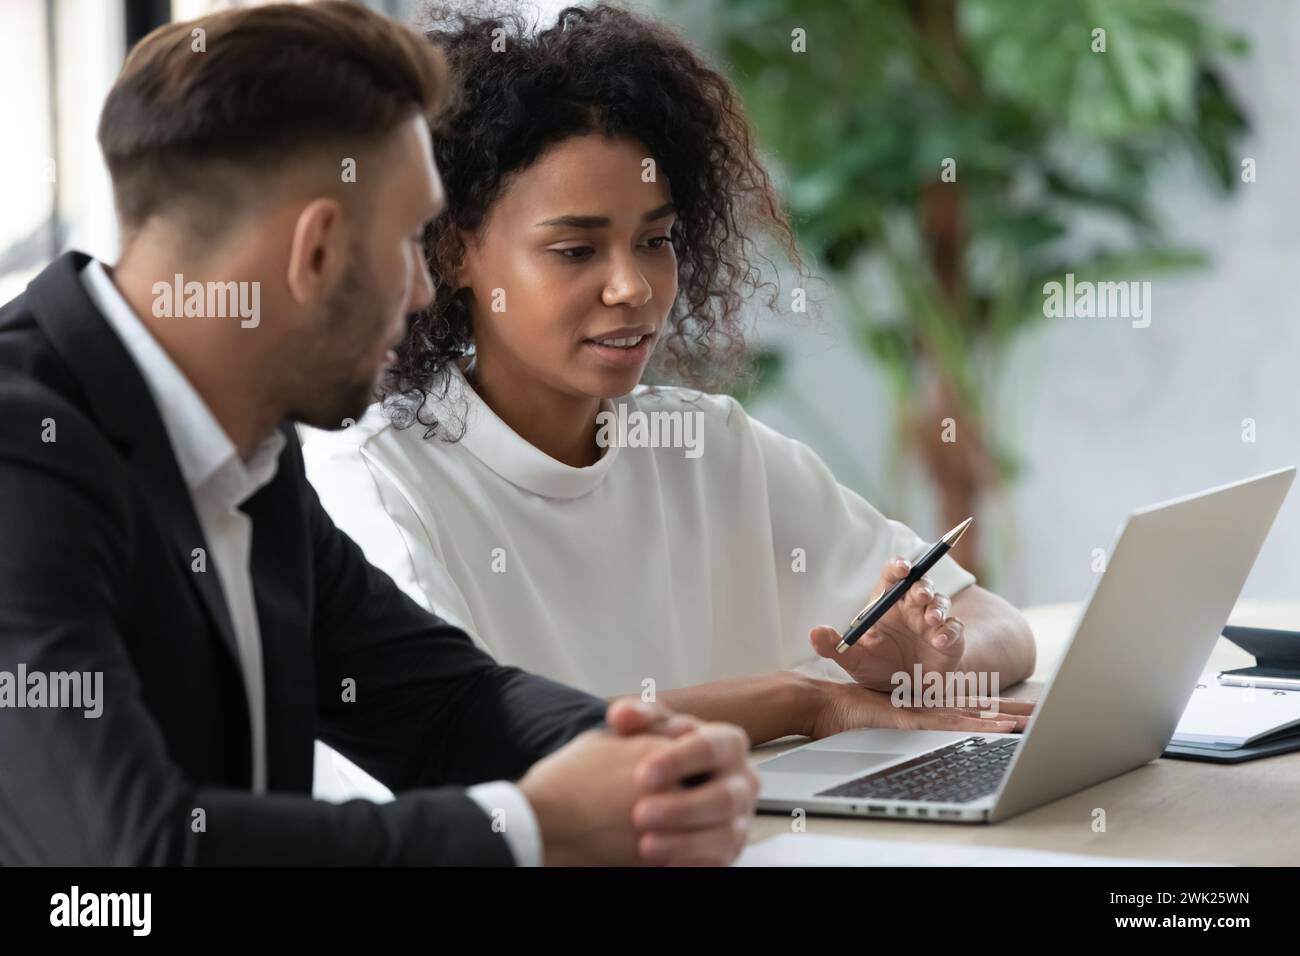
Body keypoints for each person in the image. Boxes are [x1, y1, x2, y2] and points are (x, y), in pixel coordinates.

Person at [0, 0, 757, 867]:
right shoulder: (22, 457)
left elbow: (442, 705)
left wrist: (649, 751)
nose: (425, 291)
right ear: (317, 252)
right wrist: (529, 828)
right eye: (406, 242)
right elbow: (123, 862)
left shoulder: (245, 443)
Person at [302, 2, 1037, 765]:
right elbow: (475, 735)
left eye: (655, 241)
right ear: (452, 251)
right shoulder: (379, 482)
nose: (634, 287)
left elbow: (1001, 627)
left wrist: (930, 667)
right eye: (576, 250)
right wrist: (802, 700)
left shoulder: (708, 445)